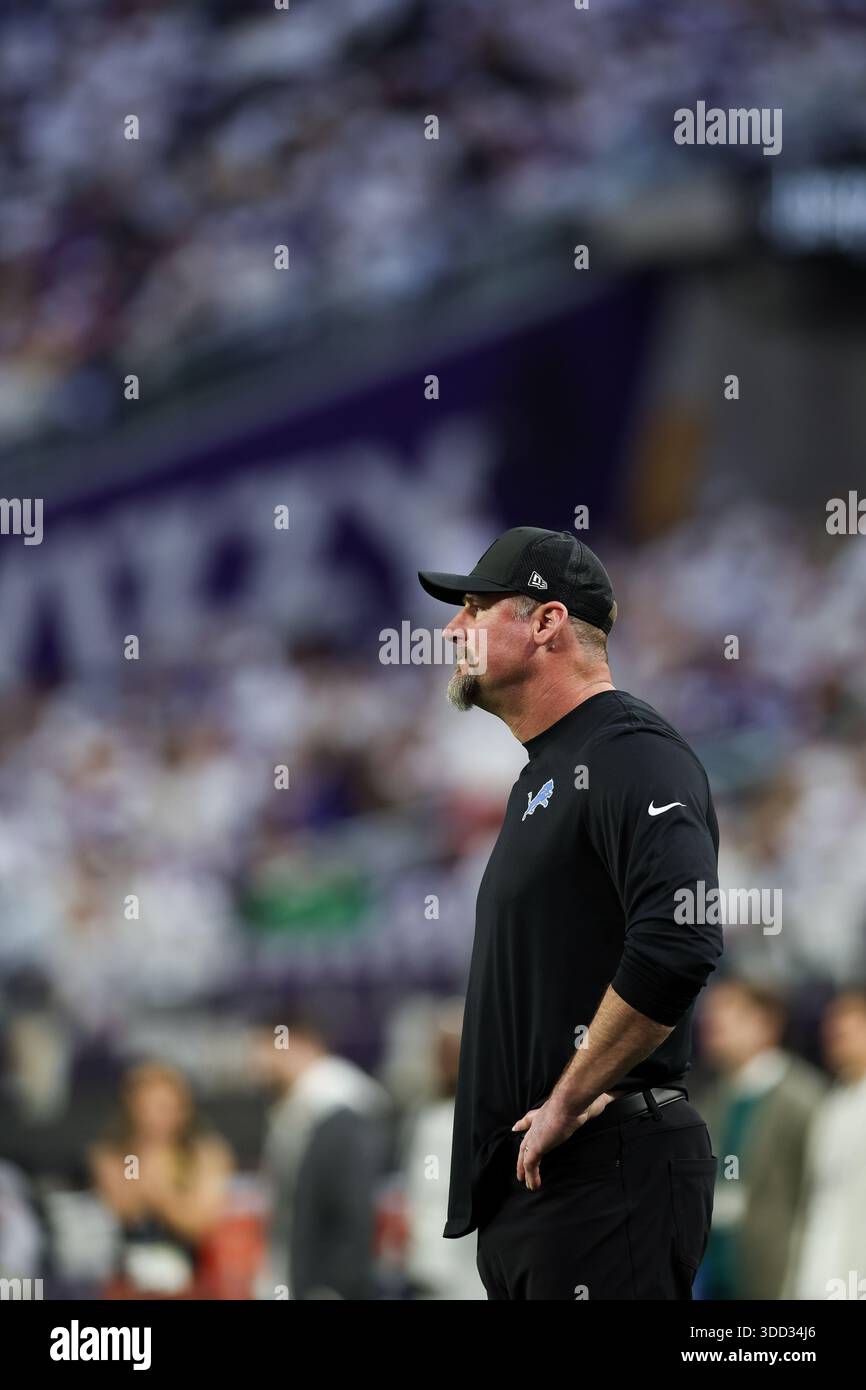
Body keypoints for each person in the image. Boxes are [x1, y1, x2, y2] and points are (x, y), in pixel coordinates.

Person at [417, 525, 723, 1300]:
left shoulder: (631, 749)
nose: (453, 629)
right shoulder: (541, 777)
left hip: (606, 1167)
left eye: (477, 607)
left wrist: (569, 1097)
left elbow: (680, 938)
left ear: (546, 622)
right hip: (546, 1190)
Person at [696, 978, 826, 1299]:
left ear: (767, 1023)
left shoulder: (804, 1099)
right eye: (710, 1011)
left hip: (775, 1276)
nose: (713, 1021)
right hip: (713, 1271)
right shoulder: (707, 1101)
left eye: (729, 1009)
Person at [254, 1009, 391, 1300]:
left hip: (331, 1280)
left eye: (268, 1047)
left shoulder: (340, 1099)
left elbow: (353, 1208)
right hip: (298, 1269)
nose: (259, 1061)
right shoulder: (296, 1101)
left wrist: (335, 1284)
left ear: (300, 1043)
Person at [89, 1062, 234, 1298]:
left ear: (183, 1109)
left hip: (191, 1282)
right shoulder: (113, 1152)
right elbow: (120, 1206)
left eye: (165, 1107)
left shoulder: (205, 1153)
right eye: (146, 1107)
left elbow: (199, 1223)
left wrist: (160, 1189)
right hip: (127, 1281)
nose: (155, 1117)